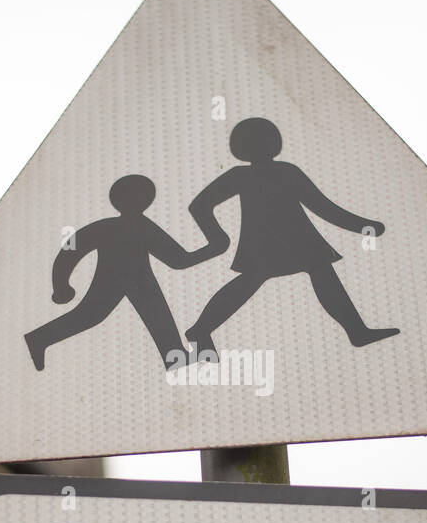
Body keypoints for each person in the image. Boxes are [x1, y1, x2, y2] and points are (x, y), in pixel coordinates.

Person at [185, 117, 399, 356]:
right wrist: (217, 237)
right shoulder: (243, 175)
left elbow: (321, 206)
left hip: (296, 237)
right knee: (256, 280)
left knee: (319, 272)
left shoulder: (284, 171)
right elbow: (200, 205)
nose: (264, 146)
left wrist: (363, 226)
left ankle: (356, 330)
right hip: (266, 240)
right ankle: (200, 329)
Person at [24, 174, 214, 371]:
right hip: (128, 280)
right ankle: (39, 338)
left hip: (131, 279)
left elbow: (70, 249)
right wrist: (213, 249)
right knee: (96, 315)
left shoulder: (112, 226)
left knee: (98, 315)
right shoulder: (137, 226)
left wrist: (61, 287)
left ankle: (173, 353)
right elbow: (178, 260)